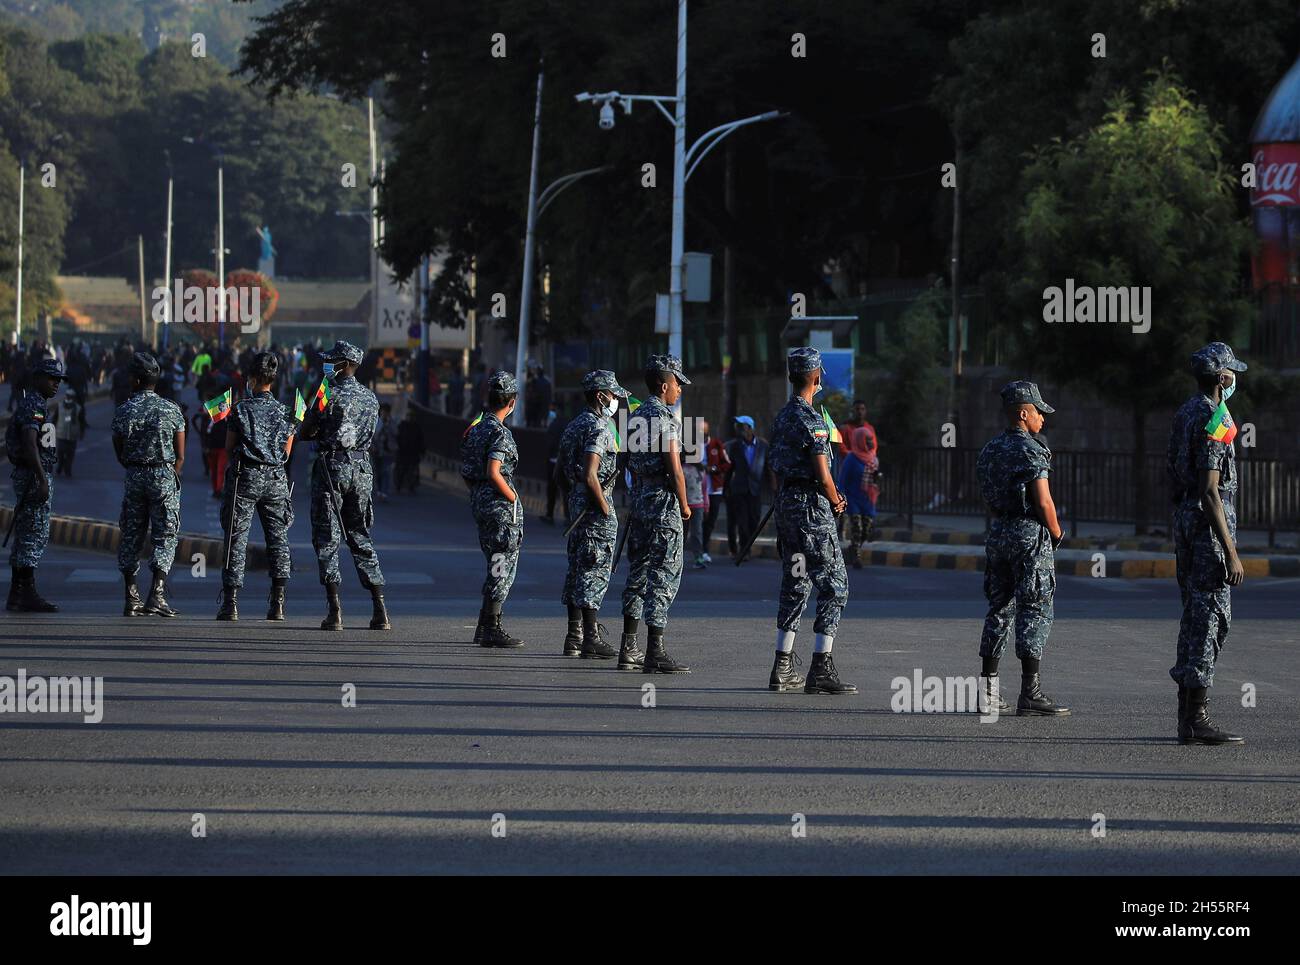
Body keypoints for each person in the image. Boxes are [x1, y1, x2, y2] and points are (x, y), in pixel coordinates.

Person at [1167, 342, 1248, 745]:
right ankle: (1196, 718)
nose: (1235, 378)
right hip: (1207, 531)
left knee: (1193, 615)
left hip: (1186, 524)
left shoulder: (1185, 412)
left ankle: (1187, 718)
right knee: (1210, 618)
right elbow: (1211, 491)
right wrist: (1230, 551)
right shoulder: (1213, 415)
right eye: (1231, 372)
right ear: (1220, 378)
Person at [975, 380, 1069, 717]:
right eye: (1039, 412)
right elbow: (1043, 501)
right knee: (1035, 608)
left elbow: (988, 496)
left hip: (999, 531)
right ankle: (1030, 692)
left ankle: (988, 691)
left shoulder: (990, 449)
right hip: (1029, 534)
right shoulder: (1031, 449)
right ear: (1023, 413)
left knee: (999, 608)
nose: (1042, 418)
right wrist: (1056, 532)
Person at [767, 347, 855, 695]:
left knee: (796, 583)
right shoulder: (812, 421)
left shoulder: (781, 418)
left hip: (787, 507)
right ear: (816, 377)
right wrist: (836, 500)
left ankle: (782, 666)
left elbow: (774, 467)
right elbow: (823, 473)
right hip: (812, 510)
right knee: (836, 586)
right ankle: (821, 666)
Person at [297, 340, 390, 632]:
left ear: (343, 364)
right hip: (362, 469)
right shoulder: (371, 398)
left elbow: (306, 430)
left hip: (332, 467)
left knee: (328, 537)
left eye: (331, 361)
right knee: (360, 535)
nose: (327, 366)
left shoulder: (327, 393)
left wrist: (313, 422)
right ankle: (380, 609)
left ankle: (335, 610)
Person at [621, 354, 692, 674]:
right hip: (663, 504)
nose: (679, 391)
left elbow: (628, 463)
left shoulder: (634, 418)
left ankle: (629, 646)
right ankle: (655, 650)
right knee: (663, 575)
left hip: (639, 501)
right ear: (665, 386)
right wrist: (686, 504)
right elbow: (674, 469)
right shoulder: (666, 419)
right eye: (677, 384)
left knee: (637, 572)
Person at [557, 370, 634, 664]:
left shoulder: (573, 426)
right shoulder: (600, 428)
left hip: (577, 504)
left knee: (577, 569)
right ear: (601, 396)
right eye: (613, 395)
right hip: (594, 507)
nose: (616, 400)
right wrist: (603, 507)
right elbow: (591, 474)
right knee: (593, 572)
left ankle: (574, 636)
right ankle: (590, 637)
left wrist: (572, 500)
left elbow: (559, 473)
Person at [216, 351, 296, 622]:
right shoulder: (286, 411)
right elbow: (287, 452)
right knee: (278, 540)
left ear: (251, 379)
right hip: (275, 479)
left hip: (245, 478)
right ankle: (278, 604)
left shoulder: (240, 409)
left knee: (236, 540)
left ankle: (231, 603)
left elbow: (228, 447)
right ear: (273, 380)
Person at [112, 352, 186, 618]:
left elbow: (119, 451)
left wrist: (135, 467)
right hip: (163, 476)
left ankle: (131, 597)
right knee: (165, 535)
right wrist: (170, 473)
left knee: (131, 534)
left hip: (134, 476)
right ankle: (157, 593)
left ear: (134, 380)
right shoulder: (171, 409)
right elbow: (181, 454)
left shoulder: (123, 410)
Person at [460, 371, 525, 648]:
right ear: (512, 402)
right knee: (501, 567)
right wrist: (511, 496)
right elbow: (494, 470)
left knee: (494, 563)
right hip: (499, 508)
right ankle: (492, 627)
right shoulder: (499, 433)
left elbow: (466, 470)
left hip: (481, 502)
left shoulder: (476, 429)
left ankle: (483, 625)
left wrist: (479, 493)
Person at [4, 358, 65, 612]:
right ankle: (25, 593)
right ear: (38, 378)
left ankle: (18, 593)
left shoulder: (36, 403)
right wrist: (41, 479)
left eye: (58, 380)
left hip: (30, 475)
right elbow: (30, 443)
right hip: (32, 477)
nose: (56, 384)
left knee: (26, 535)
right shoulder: (34, 405)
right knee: (34, 534)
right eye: (51, 379)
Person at [724, 415, 768, 557]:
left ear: (749, 428)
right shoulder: (735, 446)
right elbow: (730, 469)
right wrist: (726, 487)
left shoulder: (763, 445)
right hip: (739, 488)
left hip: (755, 488)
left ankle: (746, 545)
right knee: (742, 520)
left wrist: (774, 486)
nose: (739, 429)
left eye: (742, 426)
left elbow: (769, 467)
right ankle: (744, 549)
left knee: (754, 519)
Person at [837, 424, 880, 568]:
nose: (870, 442)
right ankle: (856, 557)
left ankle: (853, 549)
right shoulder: (851, 458)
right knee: (857, 527)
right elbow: (842, 479)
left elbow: (875, 479)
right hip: (853, 498)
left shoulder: (873, 458)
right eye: (866, 439)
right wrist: (840, 497)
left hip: (867, 500)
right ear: (859, 440)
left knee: (866, 530)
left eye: (870, 439)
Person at [701, 419, 729, 563]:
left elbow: (727, 463)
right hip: (698, 490)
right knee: (700, 520)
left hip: (715, 489)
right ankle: (700, 550)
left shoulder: (716, 444)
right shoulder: (693, 446)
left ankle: (705, 548)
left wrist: (714, 469)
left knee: (711, 520)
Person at [541, 404, 569, 525]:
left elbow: (549, 443)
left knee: (552, 489)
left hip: (554, 460)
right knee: (567, 490)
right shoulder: (570, 424)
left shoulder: (553, 425)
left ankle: (550, 514)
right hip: (566, 461)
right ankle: (568, 517)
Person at [684, 445, 710, 569]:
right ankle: (677, 557)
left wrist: (706, 504)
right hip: (684, 505)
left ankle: (698, 556)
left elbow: (705, 489)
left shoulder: (701, 470)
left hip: (698, 504)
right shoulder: (682, 469)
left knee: (697, 532)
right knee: (682, 533)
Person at [53, 386, 85, 477]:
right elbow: (55, 419)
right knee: (61, 453)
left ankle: (68, 470)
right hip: (62, 435)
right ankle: (60, 466)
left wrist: (82, 432)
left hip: (72, 436)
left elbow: (82, 421)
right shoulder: (59, 406)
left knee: (70, 454)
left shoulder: (78, 408)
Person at [394, 408, 425, 492]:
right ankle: (399, 485)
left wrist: (422, 451)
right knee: (401, 470)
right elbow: (397, 437)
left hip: (413, 452)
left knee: (412, 470)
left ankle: (411, 485)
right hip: (402, 452)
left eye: (411, 416)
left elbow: (420, 440)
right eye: (409, 416)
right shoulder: (402, 425)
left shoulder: (417, 427)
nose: (410, 418)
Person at [370, 401, 394, 501]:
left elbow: (395, 434)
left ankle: (384, 491)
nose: (385, 413)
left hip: (387, 451)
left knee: (386, 471)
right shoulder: (376, 422)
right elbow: (372, 436)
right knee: (378, 471)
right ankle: (379, 490)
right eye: (384, 411)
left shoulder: (392, 422)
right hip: (376, 451)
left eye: (387, 412)